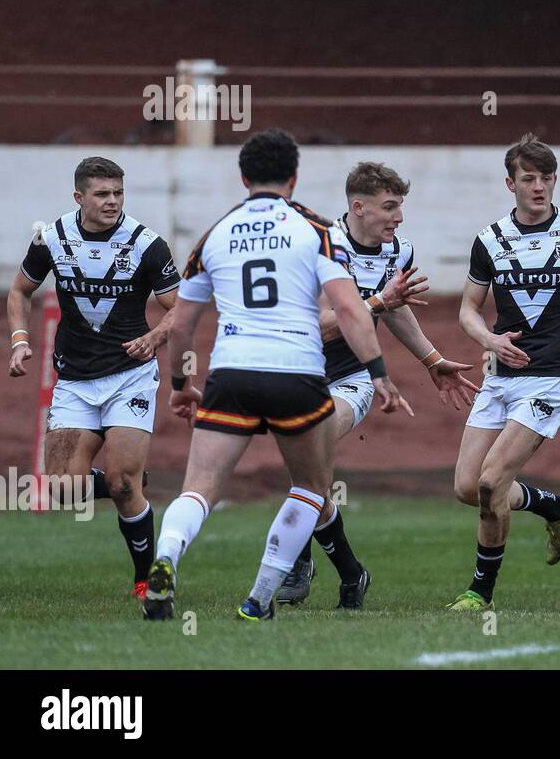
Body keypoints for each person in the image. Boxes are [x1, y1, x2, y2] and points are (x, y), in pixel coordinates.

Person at [142, 130, 410, 622]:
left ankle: (165, 561)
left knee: (198, 487)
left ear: (243, 178)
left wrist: (181, 386)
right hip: (297, 374)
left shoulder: (215, 234)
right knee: (311, 486)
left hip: (231, 372)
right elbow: (350, 310)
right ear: (294, 177)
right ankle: (259, 599)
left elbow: (181, 323)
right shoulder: (318, 231)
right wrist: (379, 373)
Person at [275, 161, 478, 609]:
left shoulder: (398, 250)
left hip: (352, 378)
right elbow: (323, 327)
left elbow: (396, 309)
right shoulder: (320, 246)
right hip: (297, 375)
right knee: (309, 476)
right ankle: (350, 572)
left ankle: (296, 560)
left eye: (400, 206)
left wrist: (432, 360)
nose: (398, 217)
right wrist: (377, 301)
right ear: (358, 206)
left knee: (315, 439)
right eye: (390, 207)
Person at [445, 134, 560, 611]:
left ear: (554, 181)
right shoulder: (490, 240)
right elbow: (467, 310)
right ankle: (556, 507)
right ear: (510, 183)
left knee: (490, 481)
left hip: (552, 376)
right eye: (528, 178)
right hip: (500, 374)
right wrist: (489, 340)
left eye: (546, 178)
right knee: (466, 487)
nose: (538, 187)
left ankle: (480, 592)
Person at [9, 156, 179, 597]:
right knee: (63, 490)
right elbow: (19, 290)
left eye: (119, 193)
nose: (113, 202)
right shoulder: (52, 237)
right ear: (78, 197)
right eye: (102, 194)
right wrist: (19, 338)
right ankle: (126, 481)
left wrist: (156, 336)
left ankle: (147, 579)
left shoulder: (146, 244)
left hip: (131, 376)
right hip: (75, 379)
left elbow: (181, 308)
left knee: (122, 482)